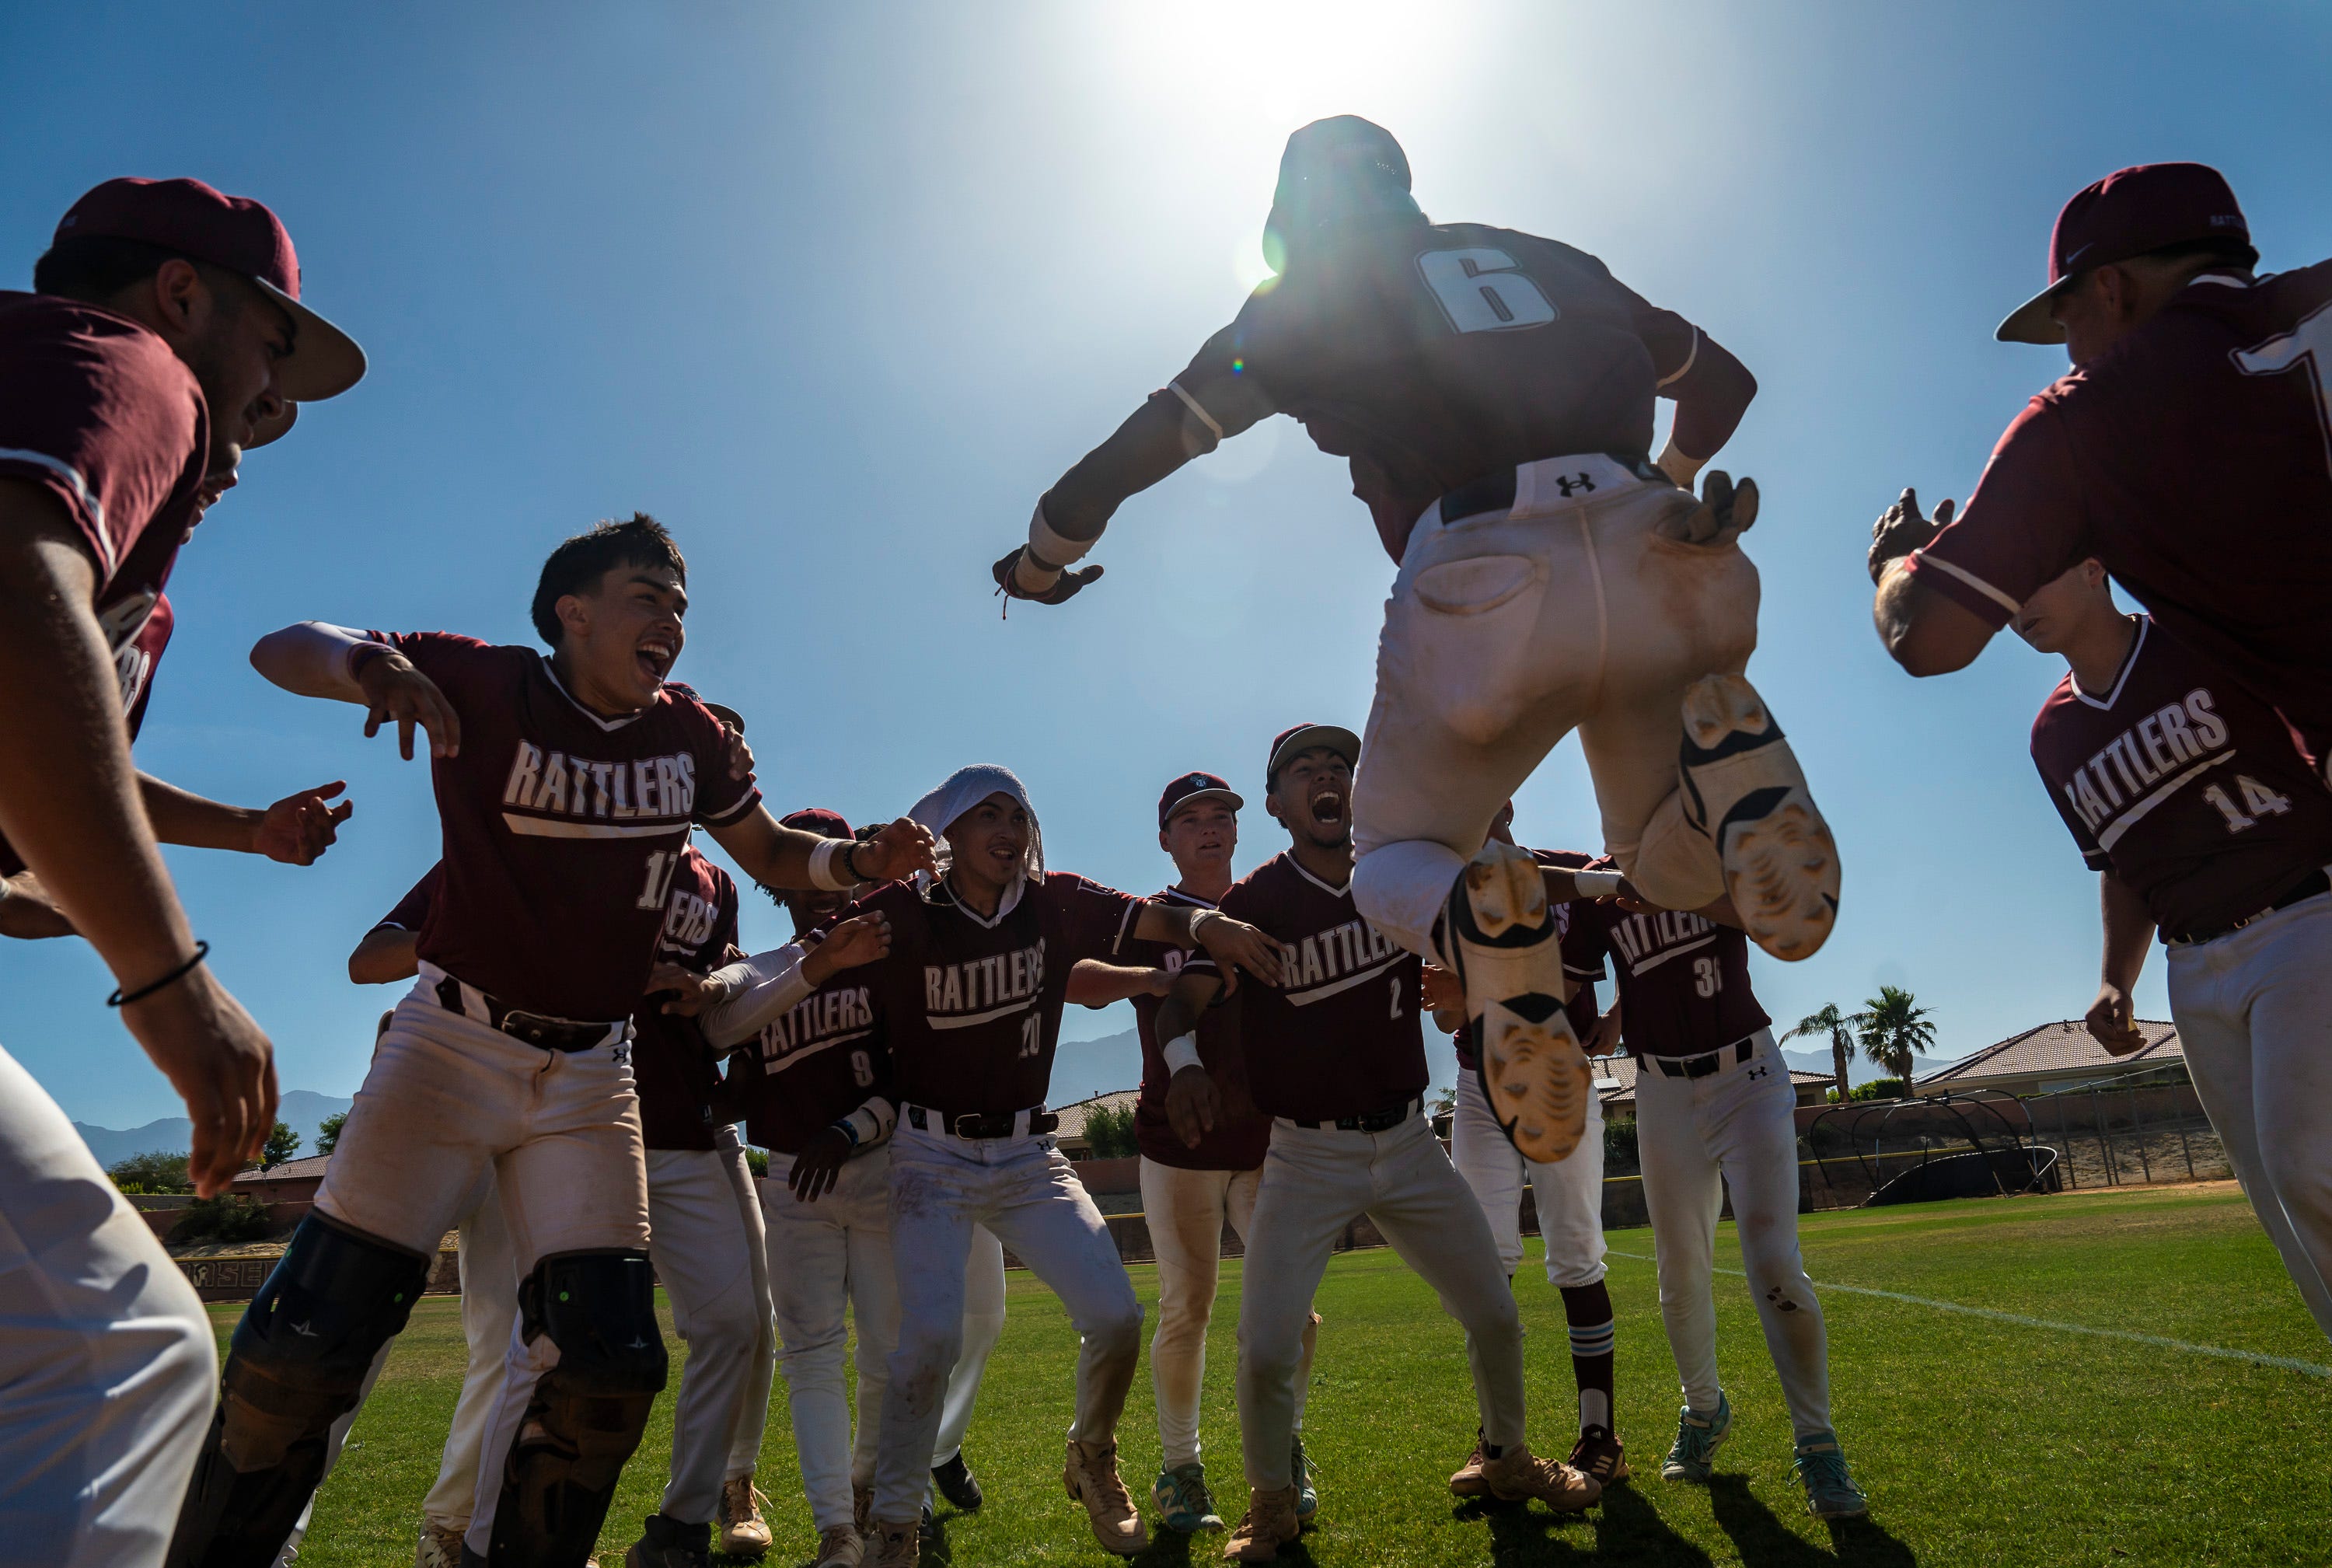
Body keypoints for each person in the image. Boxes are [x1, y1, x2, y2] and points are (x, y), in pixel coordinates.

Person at [995, 113, 1838, 1168]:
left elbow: (1123, 461)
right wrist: (1665, 481)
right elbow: (1728, 386)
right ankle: (1726, 787)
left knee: (1393, 858)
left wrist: (1038, 559)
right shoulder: (1546, 259)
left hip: (1482, 566)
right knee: (1660, 863)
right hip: (1656, 544)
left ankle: (1484, 935)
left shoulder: (1312, 299)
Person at [167, 514, 937, 1568]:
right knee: (316, 1334)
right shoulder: (488, 684)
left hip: (591, 1070)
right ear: (573, 611)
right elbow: (278, 646)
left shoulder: (691, 736)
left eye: (679, 605)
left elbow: (773, 849)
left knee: (609, 1363)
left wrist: (857, 861)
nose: (669, 617)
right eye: (645, 595)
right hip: (450, 1047)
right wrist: (369, 664)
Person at [0, 174, 363, 1568]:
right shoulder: (130, 366)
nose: (274, 399)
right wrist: (163, 972)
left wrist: (240, 834)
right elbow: (12, 618)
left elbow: (44, 741)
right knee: (123, 1357)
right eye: (273, 347)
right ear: (180, 293)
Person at [686, 764, 1281, 1566]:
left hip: (1030, 1152)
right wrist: (717, 981)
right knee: (926, 1338)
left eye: (1017, 812)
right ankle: (894, 1520)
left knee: (1116, 1317)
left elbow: (1147, 915)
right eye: (986, 814)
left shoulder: (1053, 900)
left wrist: (1207, 926)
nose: (1007, 827)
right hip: (928, 1154)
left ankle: (1092, 1454)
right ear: (951, 832)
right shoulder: (902, 909)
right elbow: (789, 960)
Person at [1153, 726, 1600, 1563]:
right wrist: (1181, 1064)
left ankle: (1507, 1459)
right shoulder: (1255, 902)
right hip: (1305, 1154)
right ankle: (1273, 1501)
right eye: (1303, 771)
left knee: (1496, 1314)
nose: (1327, 778)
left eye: (1340, 767)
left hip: (1405, 1140)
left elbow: (1506, 880)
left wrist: (1611, 882)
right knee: (1263, 1344)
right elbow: (1181, 1003)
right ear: (1278, 805)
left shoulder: (1392, 878)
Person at [1869, 162, 2332, 782]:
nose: (2069, 351)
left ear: (2110, 289)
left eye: (2065, 322)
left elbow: (1925, 635)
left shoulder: (2084, 421)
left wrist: (1895, 566)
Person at [2013, 558, 2332, 1336]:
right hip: (2189, 968)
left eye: (2031, 574)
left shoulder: (2203, 640)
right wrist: (2114, 976)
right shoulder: (2052, 736)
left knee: (2306, 1164)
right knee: (2280, 1206)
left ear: (2094, 567)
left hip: (2299, 916)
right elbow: (2121, 862)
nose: (2015, 601)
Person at [679, 808, 1001, 1568]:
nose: (820, 892)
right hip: (793, 1182)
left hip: (883, 1166)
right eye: (803, 873)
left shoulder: (892, 955)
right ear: (783, 881)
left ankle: (872, 1497)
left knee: (893, 1349)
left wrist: (850, 1129)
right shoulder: (766, 968)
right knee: (811, 1355)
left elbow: (917, 1080)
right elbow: (727, 1037)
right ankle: (836, 1527)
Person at [1064, 771, 1320, 1535]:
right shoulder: (1153, 918)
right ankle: (1181, 1469)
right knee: (1189, 1310)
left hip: (1264, 1138)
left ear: (1239, 832)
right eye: (1192, 820)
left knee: (1297, 1319)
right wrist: (1148, 975)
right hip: (1178, 1145)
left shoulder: (1268, 909)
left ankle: (1284, 1451)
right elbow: (1069, 977)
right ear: (1166, 838)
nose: (1210, 829)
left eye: (1221, 817)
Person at [1566, 870, 1866, 1518]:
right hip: (1661, 1088)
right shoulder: (1595, 884)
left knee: (1774, 1260)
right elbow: (1577, 910)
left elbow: (1760, 913)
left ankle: (1817, 1440)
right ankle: (1704, 1410)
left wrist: (1667, 885)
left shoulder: (1704, 850)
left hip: (1747, 1074)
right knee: (1678, 1272)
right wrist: (1620, 1010)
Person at [1425, 803, 1628, 1488]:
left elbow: (1639, 937)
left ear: (1508, 799)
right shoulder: (1447, 888)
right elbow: (1449, 1010)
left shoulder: (1574, 873)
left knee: (1575, 1252)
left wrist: (1620, 1014)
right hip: (1478, 1081)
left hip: (1557, 1070)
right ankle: (1498, 1443)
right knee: (1487, 1264)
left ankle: (1600, 1434)